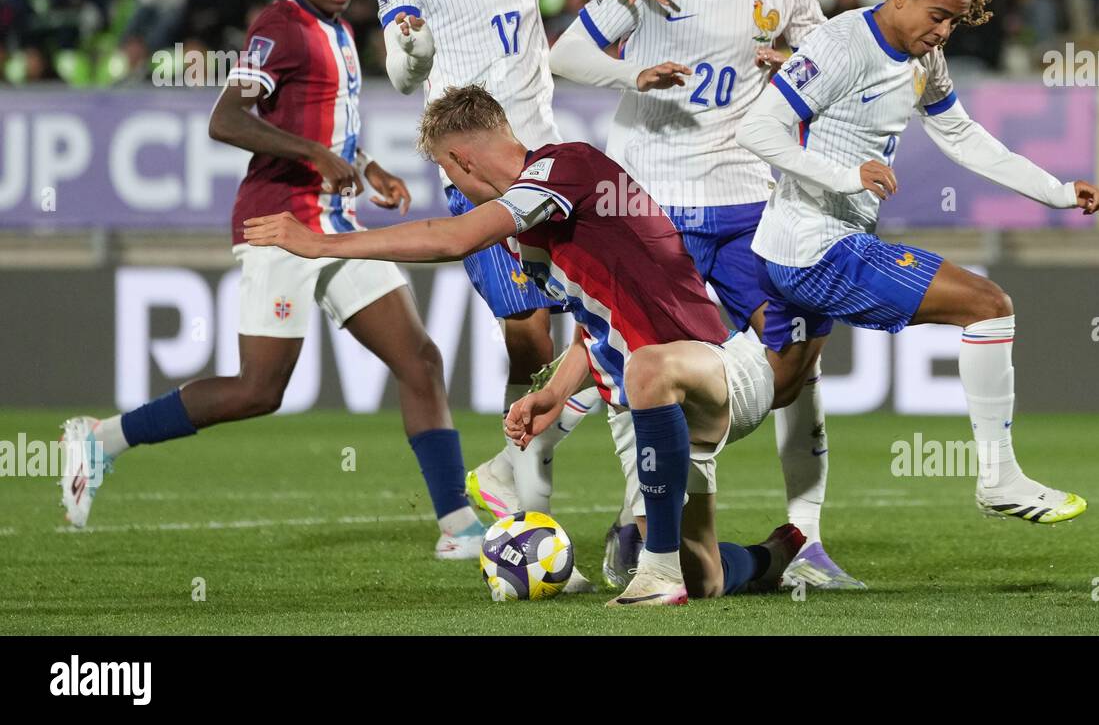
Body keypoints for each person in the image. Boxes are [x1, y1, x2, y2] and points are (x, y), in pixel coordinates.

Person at [244, 84, 806, 607]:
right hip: (671, 394)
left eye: (446, 170)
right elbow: (598, 323)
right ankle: (771, 556)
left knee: (648, 368)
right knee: (703, 572)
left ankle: (656, 572)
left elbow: (456, 237)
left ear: (461, 160)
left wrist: (323, 244)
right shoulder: (537, 226)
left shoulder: (565, 165)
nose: (453, 185)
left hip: (722, 367)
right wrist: (556, 392)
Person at [58, 0, 481, 561]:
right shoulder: (279, 27)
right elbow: (226, 118)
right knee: (260, 390)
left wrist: (366, 167)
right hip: (279, 223)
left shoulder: (339, 30)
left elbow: (325, 124)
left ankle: (458, 526)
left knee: (420, 359)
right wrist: (315, 155)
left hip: (334, 223)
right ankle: (103, 437)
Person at [547, 0, 864, 590]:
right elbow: (564, 56)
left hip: (754, 205)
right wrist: (633, 74)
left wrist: (797, 64)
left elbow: (832, 67)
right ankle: (650, 529)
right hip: (656, 208)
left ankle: (799, 539)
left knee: (796, 369)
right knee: (654, 370)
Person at [736, 0, 1099, 525]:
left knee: (778, 389)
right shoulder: (841, 43)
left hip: (803, 247)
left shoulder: (922, 58)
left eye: (954, 23)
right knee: (988, 306)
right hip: (814, 245)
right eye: (937, 16)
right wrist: (845, 176)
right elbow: (759, 128)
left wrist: (1058, 192)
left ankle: (665, 437)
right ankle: (999, 478)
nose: (943, 33)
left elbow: (961, 134)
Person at [372, 0, 678, 550]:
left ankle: (562, 484)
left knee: (615, 325)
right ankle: (525, 473)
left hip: (553, 165)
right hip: (480, 175)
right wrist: (410, 52)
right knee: (533, 334)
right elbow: (403, 68)